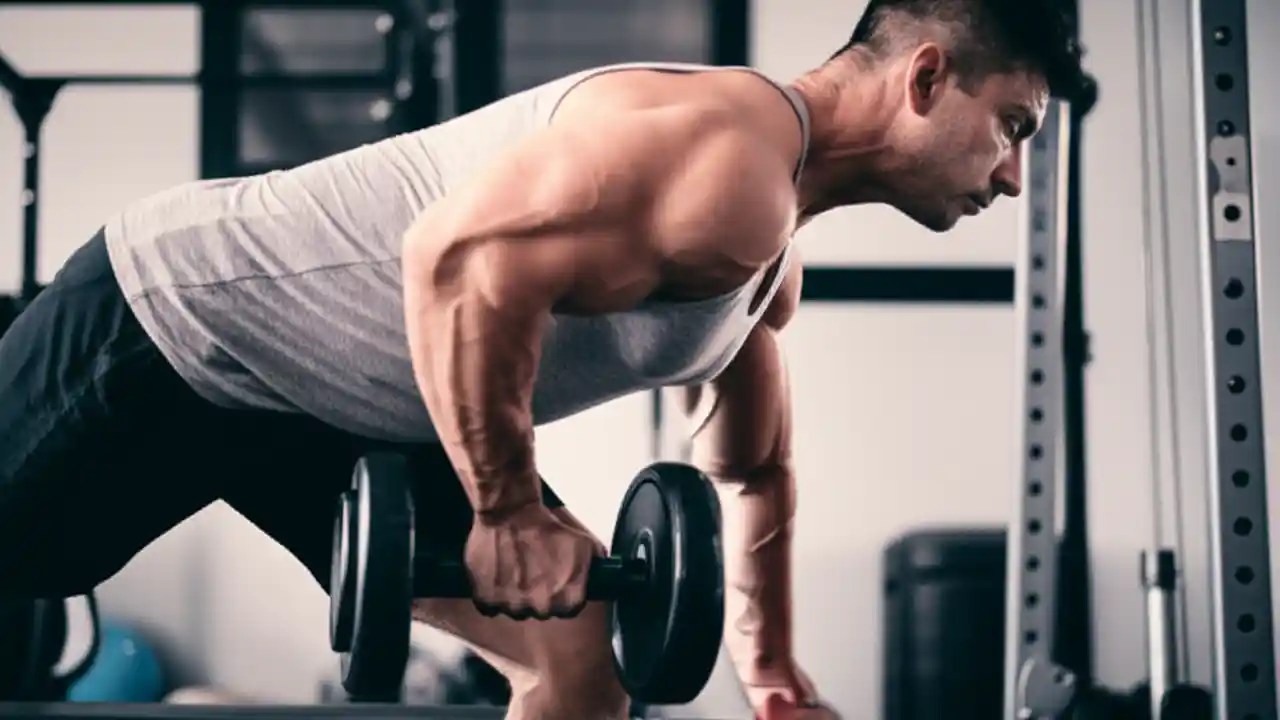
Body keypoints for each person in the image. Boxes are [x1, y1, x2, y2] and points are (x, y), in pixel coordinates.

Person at [0, 0, 1086, 717]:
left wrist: (767, 669)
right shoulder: (725, 162)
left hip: (337, 404)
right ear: (926, 77)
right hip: (176, 316)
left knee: (579, 660)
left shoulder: (769, 244)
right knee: (24, 574)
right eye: (1013, 128)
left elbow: (753, 471)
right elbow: (456, 260)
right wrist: (507, 510)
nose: (1010, 176)